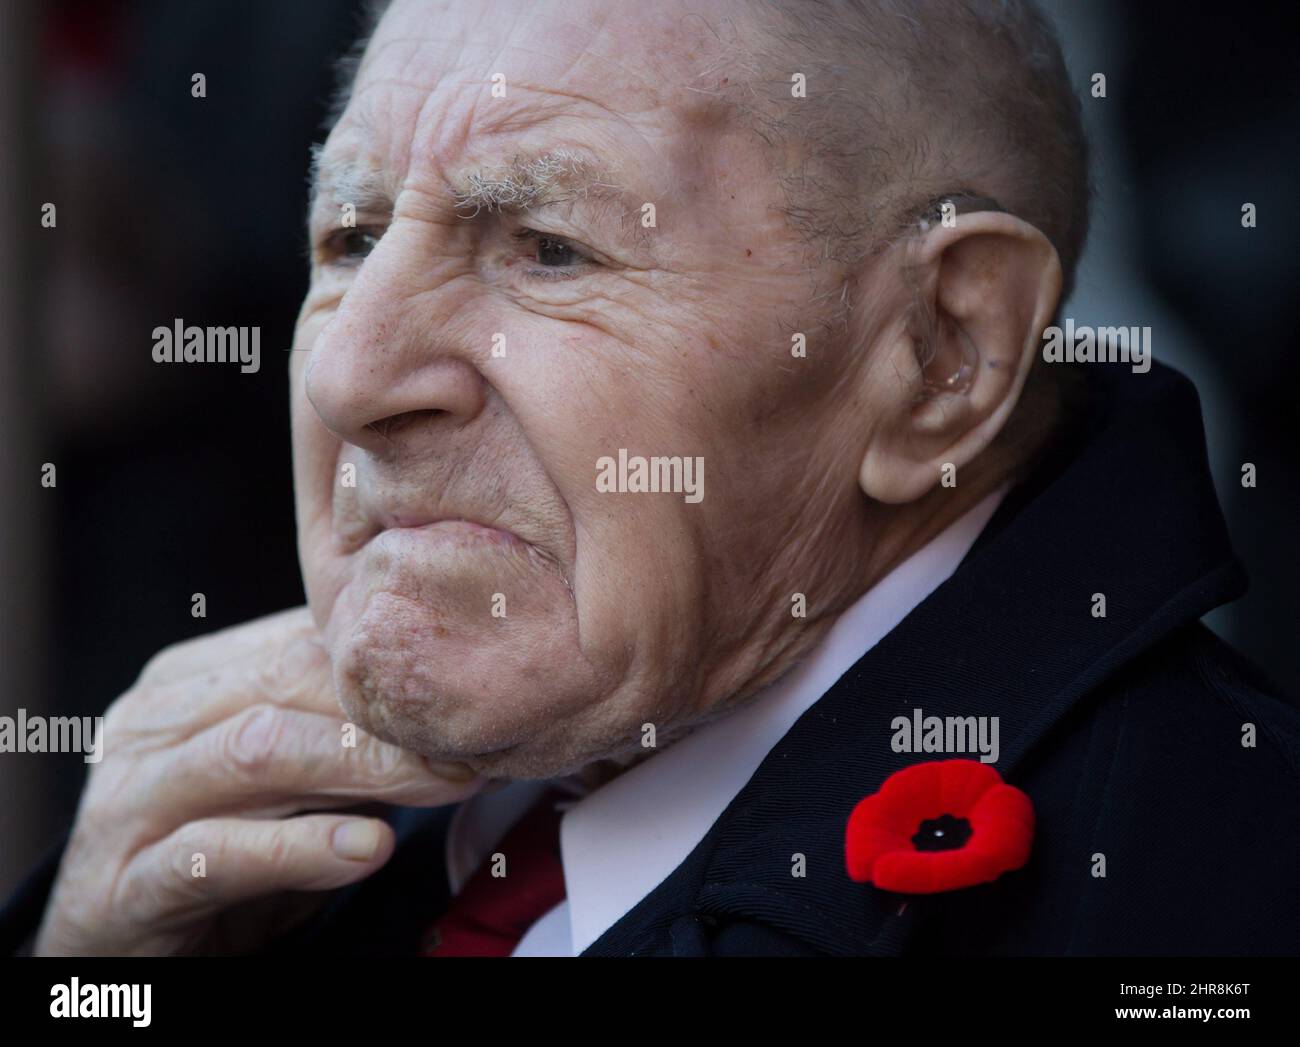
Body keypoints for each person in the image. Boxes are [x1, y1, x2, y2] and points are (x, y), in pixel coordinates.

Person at [4, 0, 1296, 957]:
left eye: (550, 250)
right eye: (349, 237)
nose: (350, 374)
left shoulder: (1216, 901)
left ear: (943, 353)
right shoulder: (231, 864)